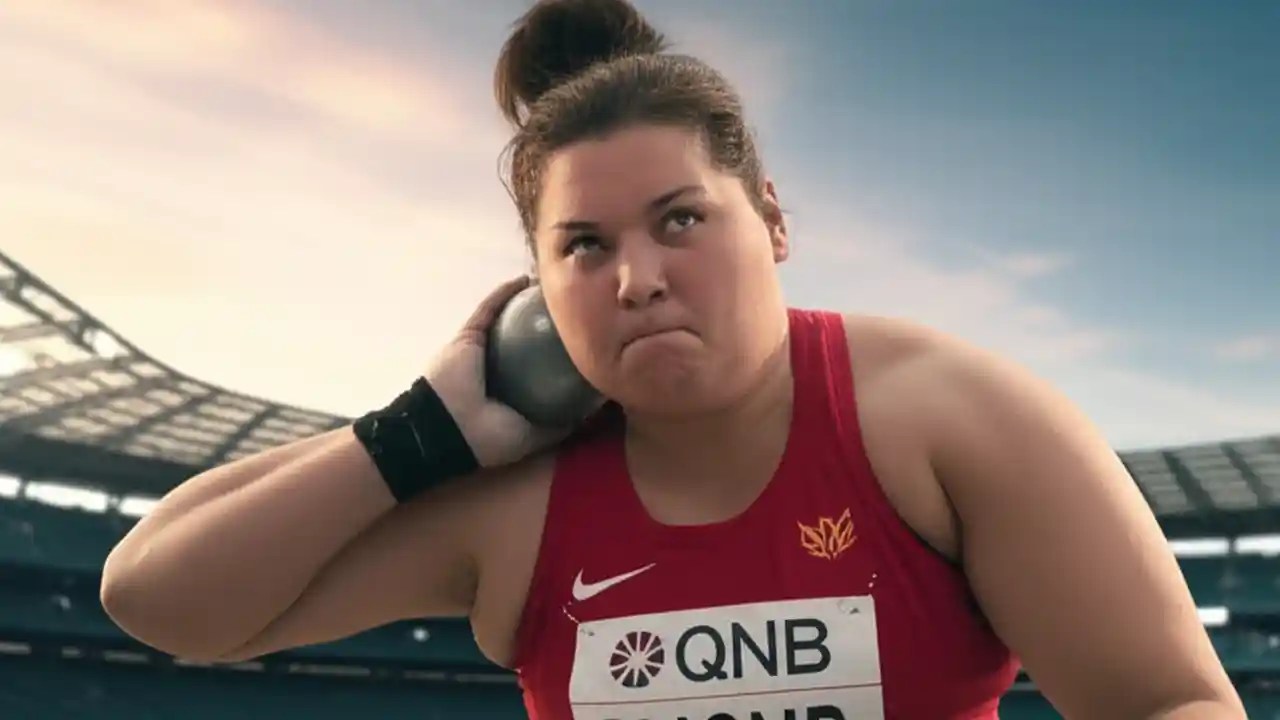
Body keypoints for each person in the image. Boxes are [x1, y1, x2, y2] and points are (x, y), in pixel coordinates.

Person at [100, 1, 1245, 718]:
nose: (636, 277)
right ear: (534, 292)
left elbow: (1169, 703)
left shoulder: (946, 420)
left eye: (681, 220)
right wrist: (416, 438)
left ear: (773, 221)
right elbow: (161, 599)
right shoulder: (513, 501)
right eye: (584, 246)